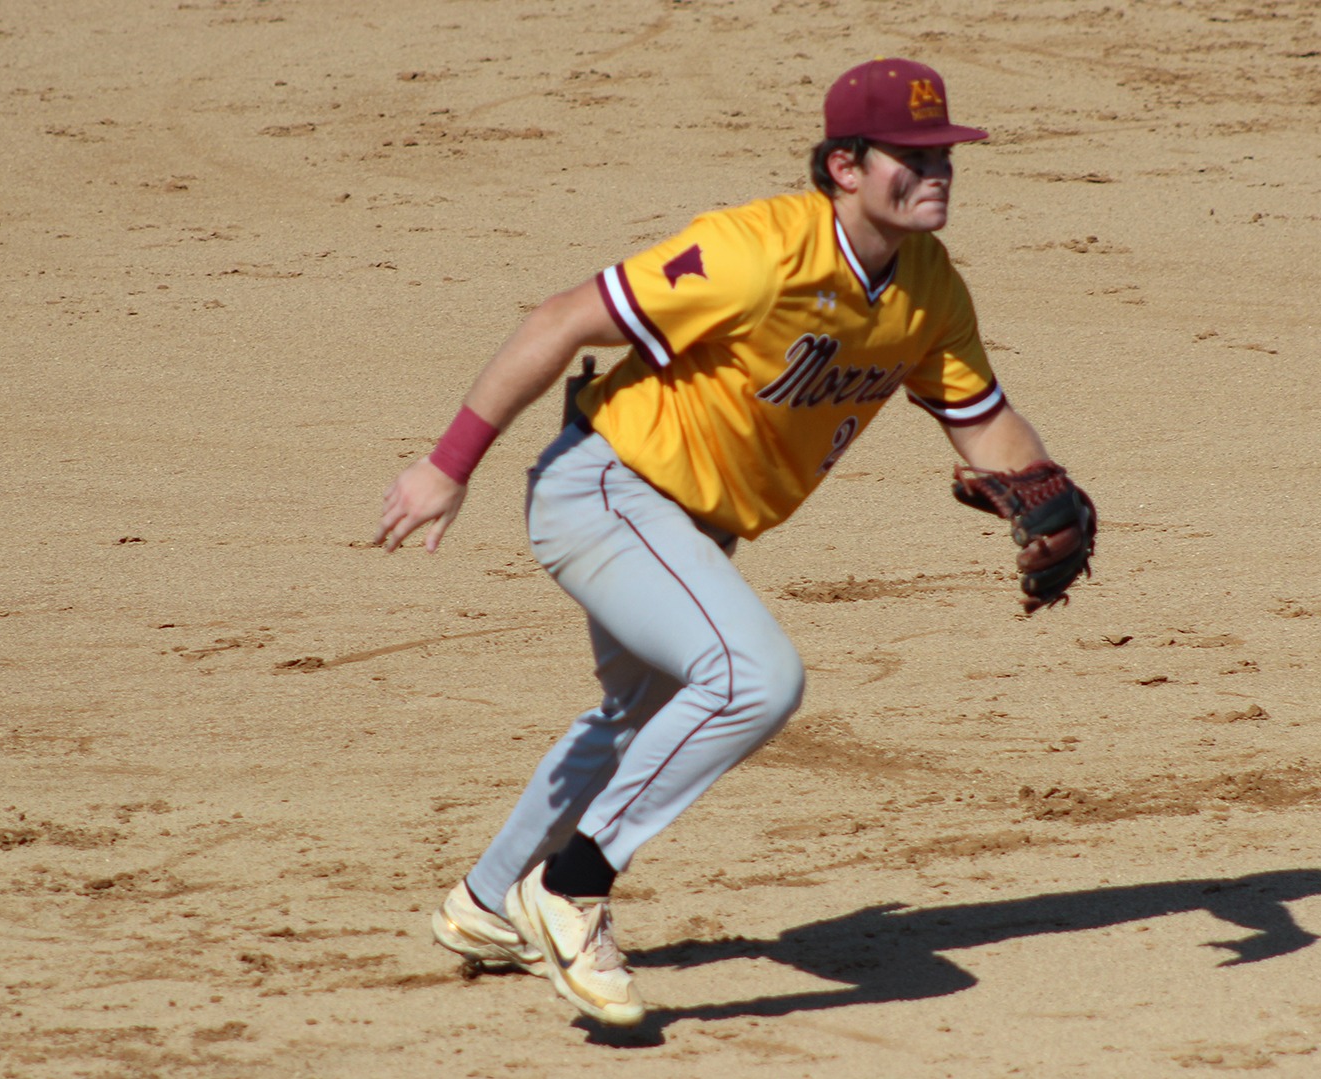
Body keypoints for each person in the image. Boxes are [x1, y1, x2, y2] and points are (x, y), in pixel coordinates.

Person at [372, 57, 1093, 1028]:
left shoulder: (928, 288)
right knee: (754, 677)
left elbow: (987, 424)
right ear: (843, 164)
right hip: (606, 492)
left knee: (641, 712)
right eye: (910, 156)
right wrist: (447, 465)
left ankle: (489, 900)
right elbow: (559, 321)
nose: (936, 172)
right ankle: (573, 886)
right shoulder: (752, 253)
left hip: (692, 527)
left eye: (944, 154)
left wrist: (1050, 494)